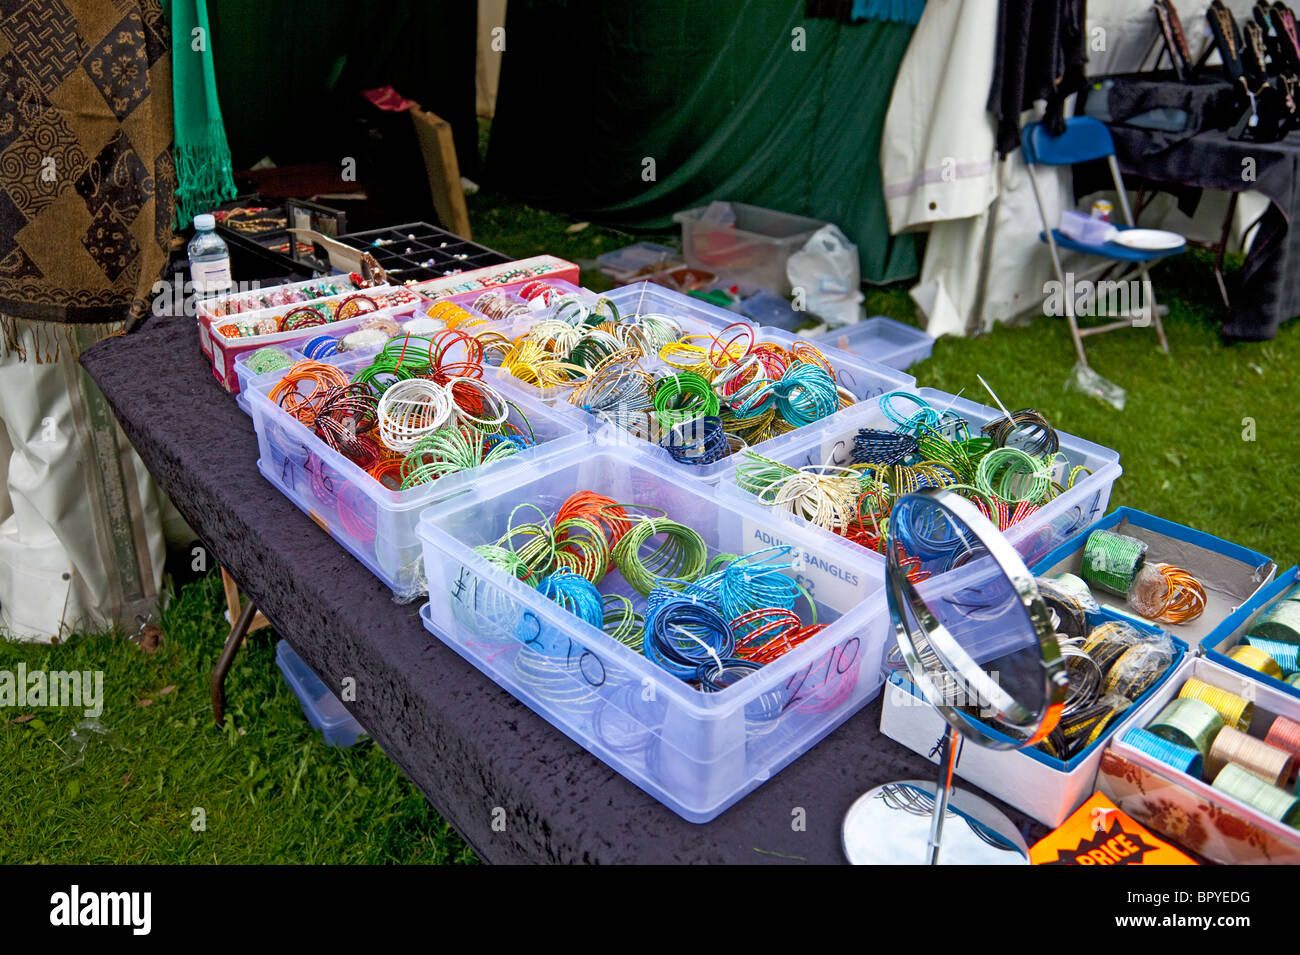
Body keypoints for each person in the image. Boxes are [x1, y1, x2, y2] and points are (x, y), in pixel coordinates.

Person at [0, 0, 175, 641]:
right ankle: (101, 608)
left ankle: (37, 602)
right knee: (63, 404)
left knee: (28, 405)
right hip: (57, 230)